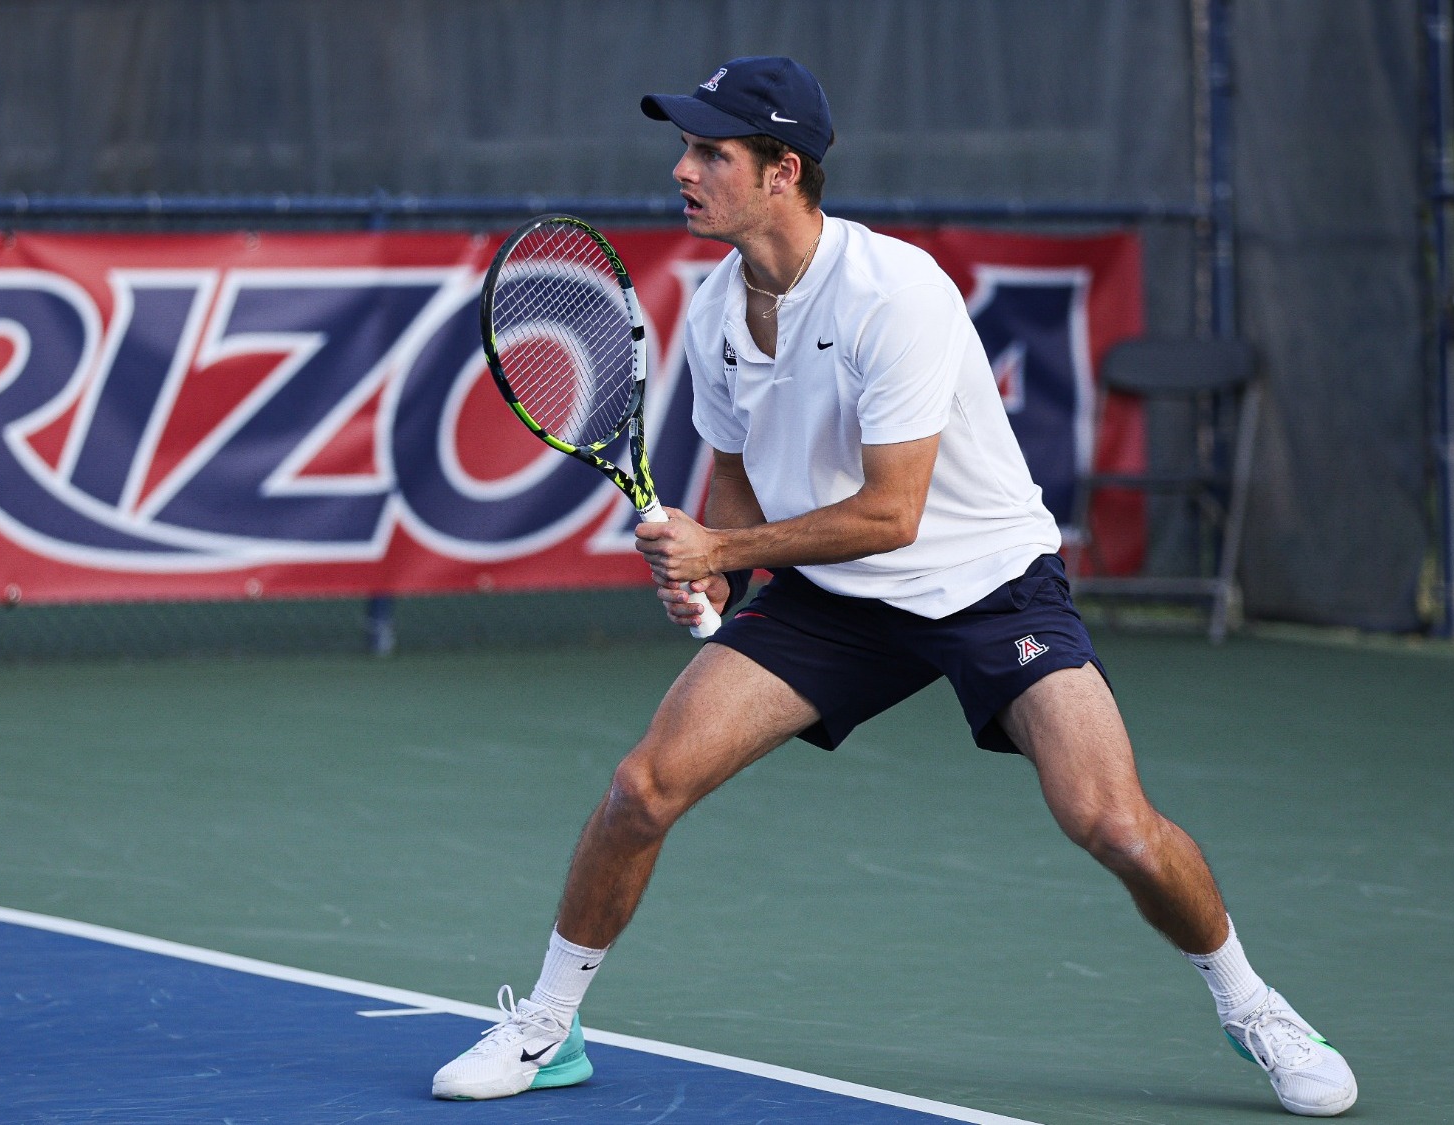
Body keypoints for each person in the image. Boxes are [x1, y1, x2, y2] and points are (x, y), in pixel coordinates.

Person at [432, 56, 1359, 1118]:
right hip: (832, 600)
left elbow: (891, 515)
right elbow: (730, 484)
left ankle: (1254, 1009)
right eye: (684, 149)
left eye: (708, 154)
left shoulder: (895, 293)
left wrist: (719, 554)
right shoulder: (715, 312)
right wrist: (710, 581)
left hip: (986, 584)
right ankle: (549, 1026)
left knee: (1110, 822)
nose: (681, 171)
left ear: (782, 171)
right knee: (642, 788)